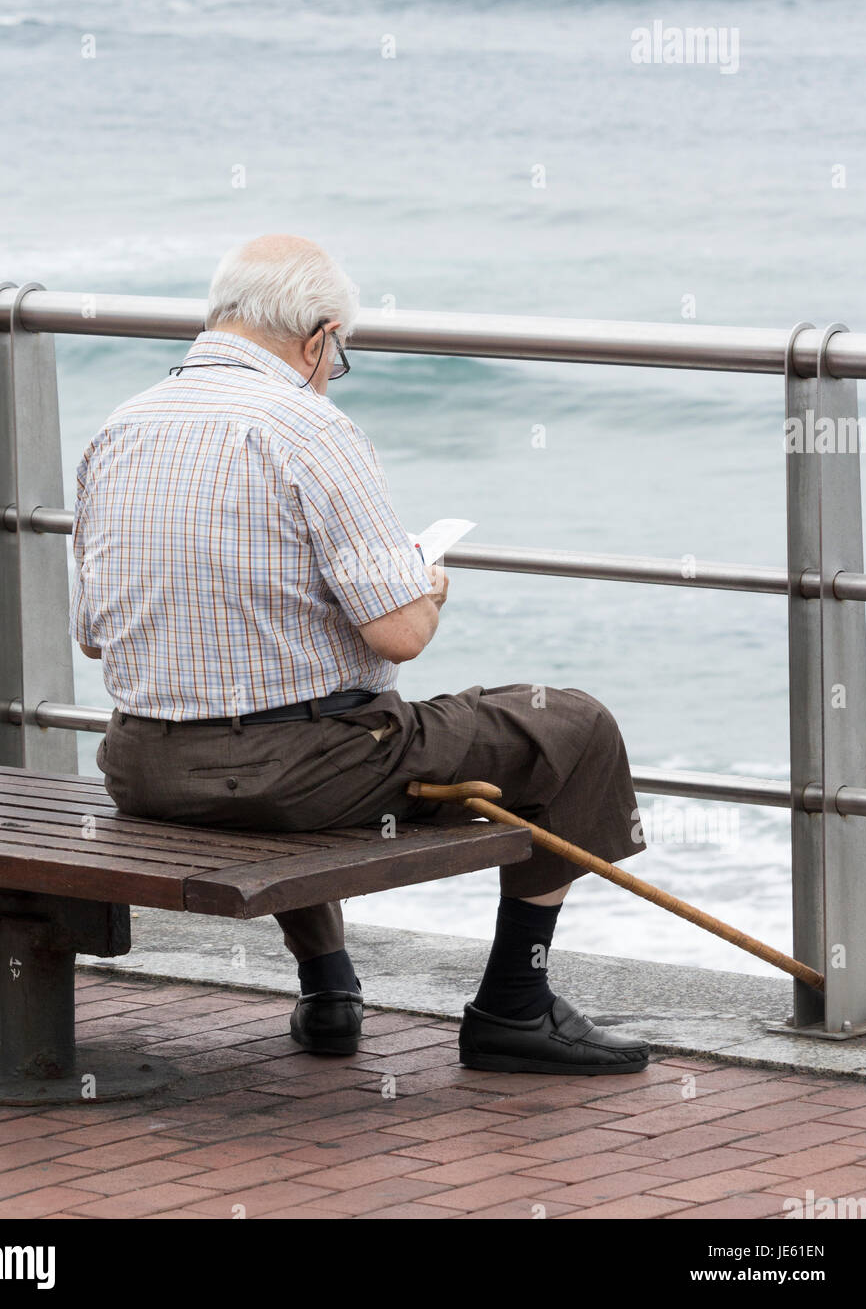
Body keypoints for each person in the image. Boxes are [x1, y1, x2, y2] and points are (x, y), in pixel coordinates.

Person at [69, 233, 650, 1075]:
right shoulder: (311, 429)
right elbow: (400, 637)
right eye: (337, 352)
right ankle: (513, 1007)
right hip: (292, 775)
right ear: (319, 337)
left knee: (311, 715)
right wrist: (425, 586)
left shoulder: (119, 427)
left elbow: (93, 634)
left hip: (143, 768)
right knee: (571, 726)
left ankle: (330, 985)